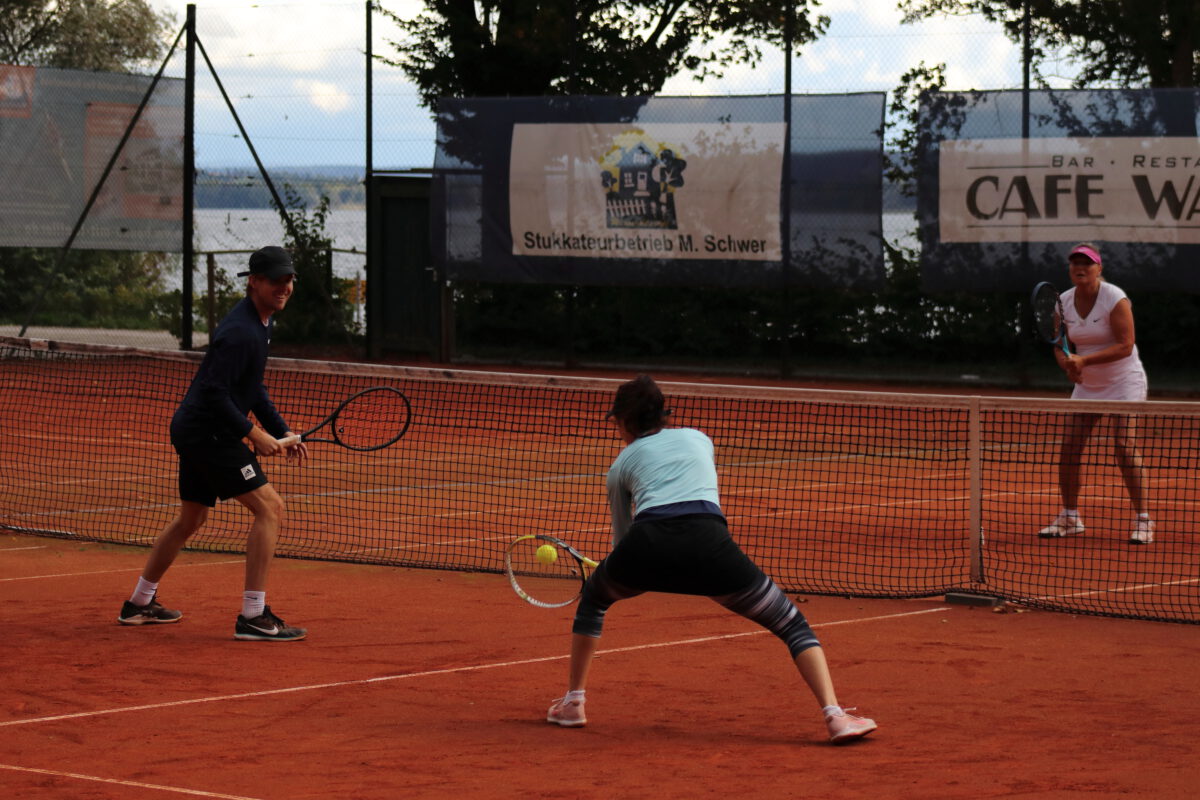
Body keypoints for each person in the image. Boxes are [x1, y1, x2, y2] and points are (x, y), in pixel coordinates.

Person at [545, 375, 877, 744]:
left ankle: (573, 703)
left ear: (623, 422)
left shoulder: (620, 465)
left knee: (594, 599)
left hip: (646, 547)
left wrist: (616, 576)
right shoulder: (699, 439)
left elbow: (624, 541)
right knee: (792, 625)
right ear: (664, 414)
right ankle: (835, 717)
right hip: (711, 549)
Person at [117, 245, 311, 639]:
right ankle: (253, 617)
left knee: (192, 518)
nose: (285, 287)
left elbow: (252, 387)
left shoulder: (261, 322)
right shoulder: (240, 332)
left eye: (289, 280)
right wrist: (254, 434)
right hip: (209, 434)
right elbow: (213, 391)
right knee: (270, 508)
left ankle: (138, 603)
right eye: (276, 280)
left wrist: (279, 430)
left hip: (196, 430)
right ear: (254, 282)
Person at [1037, 242, 1153, 544]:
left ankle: (1143, 520)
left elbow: (1126, 345)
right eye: (1075, 263)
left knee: (1124, 446)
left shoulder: (1114, 298)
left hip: (1124, 381)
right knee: (1070, 448)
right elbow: (1059, 344)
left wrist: (1084, 361)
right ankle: (1070, 517)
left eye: (1086, 263)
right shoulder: (1062, 302)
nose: (1080, 268)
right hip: (1088, 385)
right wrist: (1068, 366)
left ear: (1098, 268)